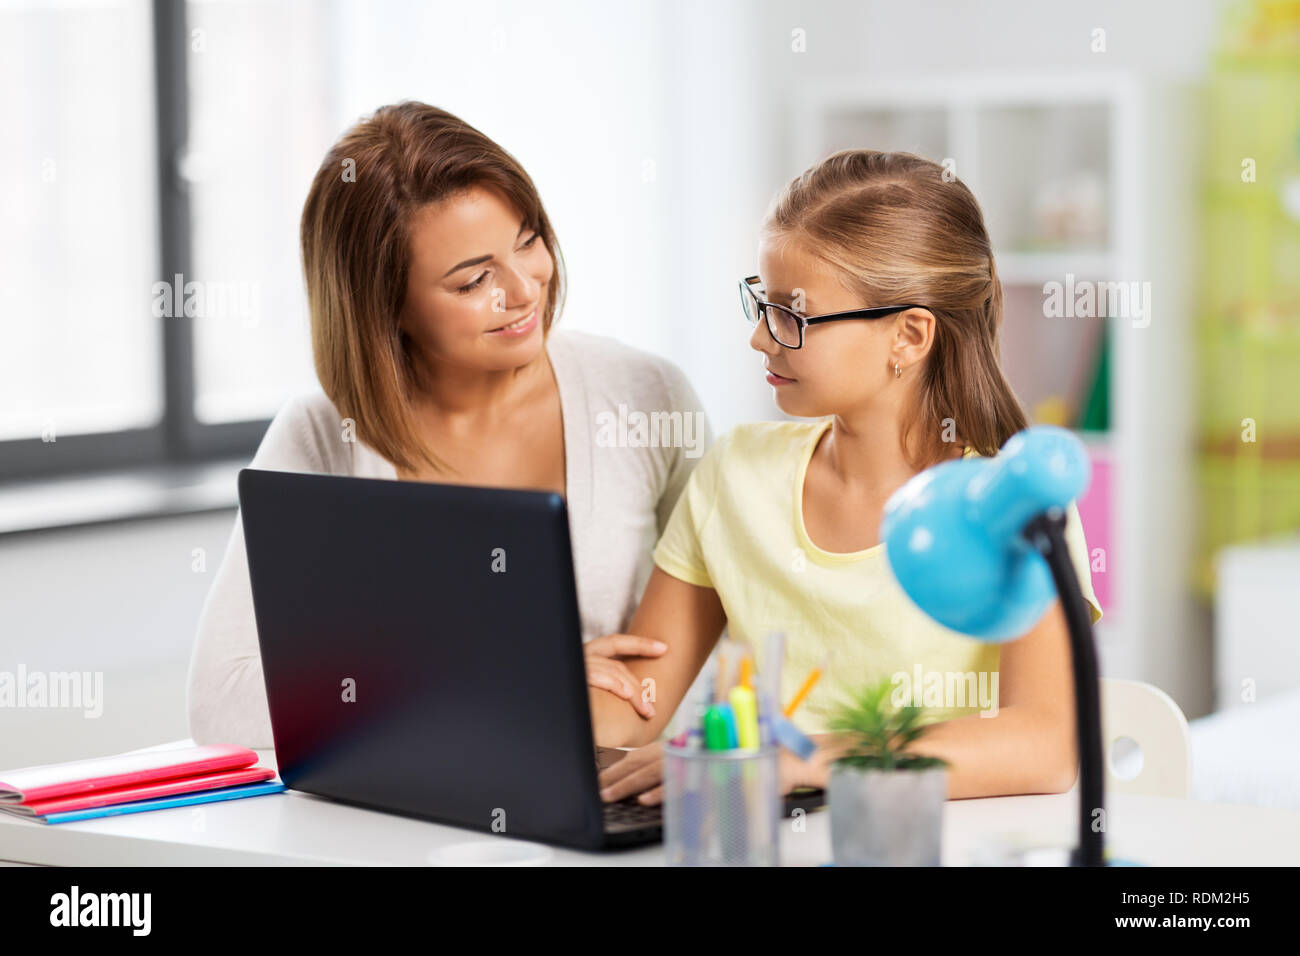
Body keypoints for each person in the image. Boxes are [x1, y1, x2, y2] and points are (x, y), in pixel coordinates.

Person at [187, 102, 710, 748]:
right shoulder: (325, 435)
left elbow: (698, 650)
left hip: (612, 810)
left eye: (529, 241)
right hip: (406, 826)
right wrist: (519, 675)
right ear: (386, 308)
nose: (523, 290)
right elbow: (221, 705)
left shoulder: (645, 396)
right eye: (473, 281)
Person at [590, 150, 1102, 804]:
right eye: (762, 303)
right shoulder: (736, 474)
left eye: (793, 316)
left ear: (909, 337)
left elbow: (1044, 747)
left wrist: (807, 758)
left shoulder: (1007, 507)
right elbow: (638, 705)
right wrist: (567, 695)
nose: (761, 339)